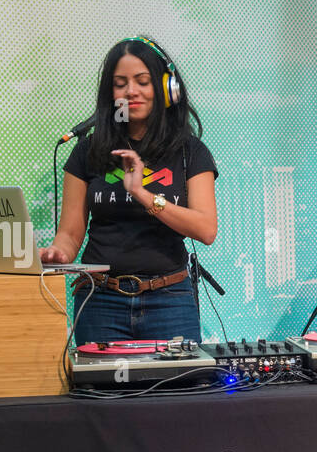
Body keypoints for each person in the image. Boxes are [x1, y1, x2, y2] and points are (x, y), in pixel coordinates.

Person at [42, 36, 218, 343]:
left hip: (170, 301)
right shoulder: (87, 152)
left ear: (166, 90)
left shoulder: (190, 152)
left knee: (178, 391)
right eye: (120, 83)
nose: (131, 91)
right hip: (101, 302)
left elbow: (205, 229)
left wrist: (143, 194)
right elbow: (70, 234)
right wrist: (59, 254)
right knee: (100, 391)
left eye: (142, 81)